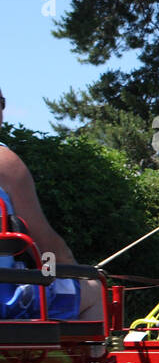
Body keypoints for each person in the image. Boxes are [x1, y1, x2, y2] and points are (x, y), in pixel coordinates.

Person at [0, 110, 103, 321]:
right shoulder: (4, 162)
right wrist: (71, 269)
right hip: (4, 300)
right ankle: (90, 355)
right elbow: (46, 245)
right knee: (94, 289)